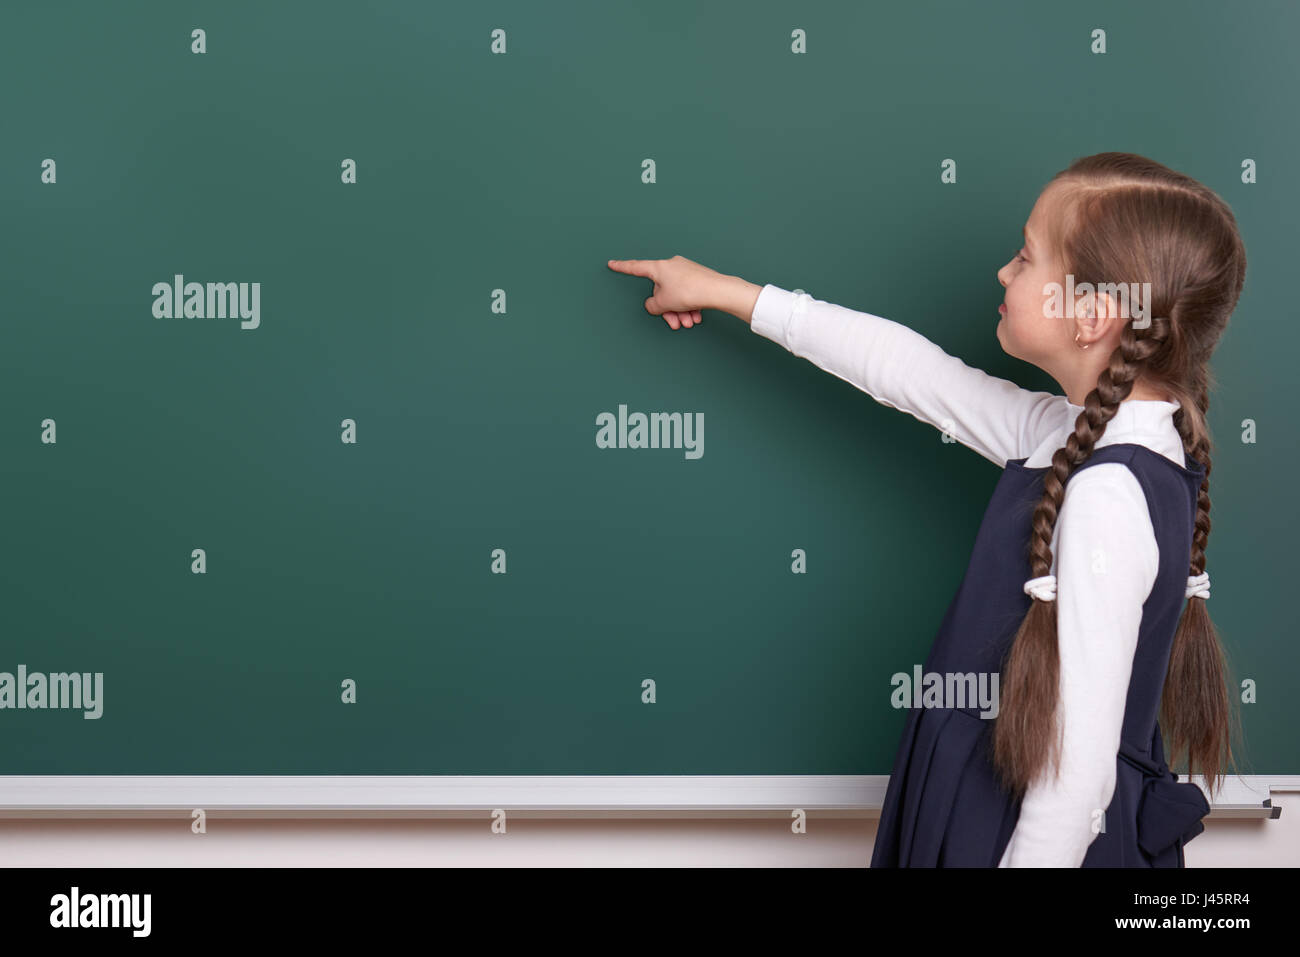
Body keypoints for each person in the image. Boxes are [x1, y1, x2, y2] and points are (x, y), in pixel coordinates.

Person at [606, 151, 1245, 866]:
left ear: (1092, 315)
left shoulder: (1106, 490)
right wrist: (723, 291)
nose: (1005, 273)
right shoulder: (1080, 436)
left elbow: (1074, 782)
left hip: (1019, 832)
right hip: (981, 799)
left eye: (1026, 257)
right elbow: (911, 373)